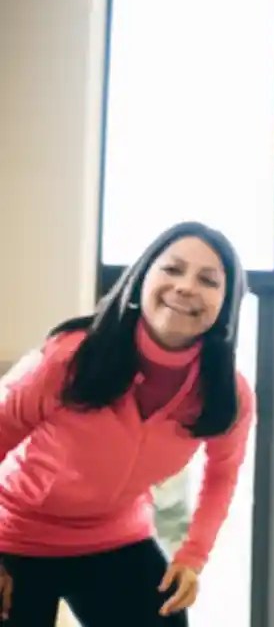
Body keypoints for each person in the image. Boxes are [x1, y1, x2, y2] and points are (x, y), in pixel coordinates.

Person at [0, 221, 256, 626]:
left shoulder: (228, 393)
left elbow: (222, 474)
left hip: (114, 538)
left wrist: (193, 556)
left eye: (208, 280)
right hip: (15, 536)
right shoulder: (69, 359)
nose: (186, 286)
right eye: (172, 269)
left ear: (227, 305)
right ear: (141, 279)